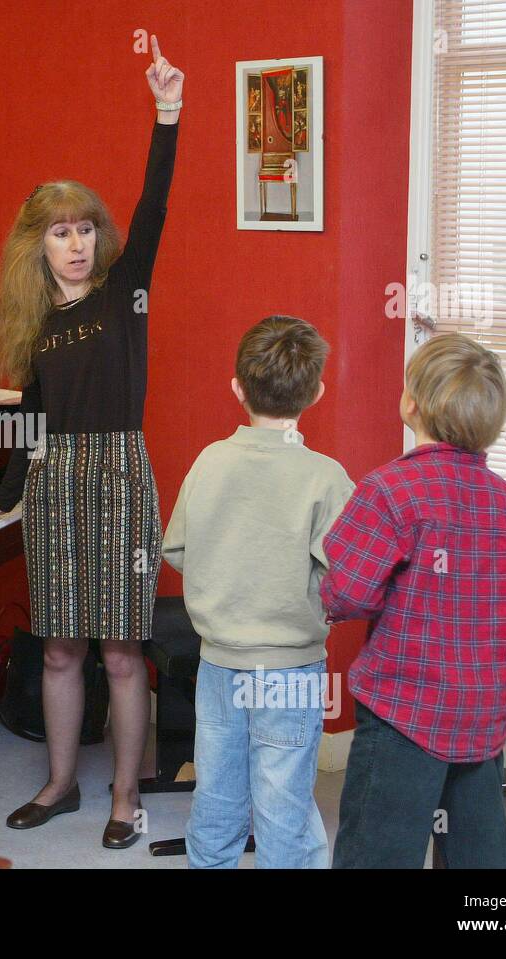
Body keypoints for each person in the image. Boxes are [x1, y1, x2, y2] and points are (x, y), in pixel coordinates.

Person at [0, 38, 183, 848]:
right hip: (53, 481)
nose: (78, 243)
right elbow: (32, 418)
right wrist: (7, 494)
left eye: (86, 228)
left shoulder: (126, 291)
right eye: (60, 233)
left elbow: (154, 205)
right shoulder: (35, 323)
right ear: (37, 246)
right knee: (60, 649)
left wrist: (167, 113)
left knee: (122, 653)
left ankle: (124, 795)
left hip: (121, 473)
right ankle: (59, 784)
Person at [322, 333, 506, 868]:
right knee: (478, 851)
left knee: (377, 850)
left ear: (411, 404)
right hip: (482, 716)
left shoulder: (389, 489)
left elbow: (350, 590)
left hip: (404, 710)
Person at [164, 316, 352, 868]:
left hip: (219, 664)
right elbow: (346, 576)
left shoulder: (209, 461)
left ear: (237, 389)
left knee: (217, 796)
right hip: (292, 668)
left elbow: (175, 550)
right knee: (283, 802)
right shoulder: (328, 476)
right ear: (317, 392)